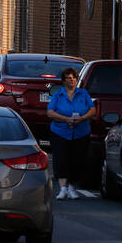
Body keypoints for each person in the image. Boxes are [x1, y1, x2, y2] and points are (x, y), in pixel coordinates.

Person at [46, 66, 96, 200]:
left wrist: (82, 118)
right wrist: (65, 119)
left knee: (77, 160)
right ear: (63, 81)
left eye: (74, 78)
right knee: (61, 159)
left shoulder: (83, 94)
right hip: (60, 132)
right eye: (68, 78)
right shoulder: (58, 95)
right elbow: (50, 112)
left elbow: (92, 110)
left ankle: (72, 188)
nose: (71, 81)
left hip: (81, 132)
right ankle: (63, 189)